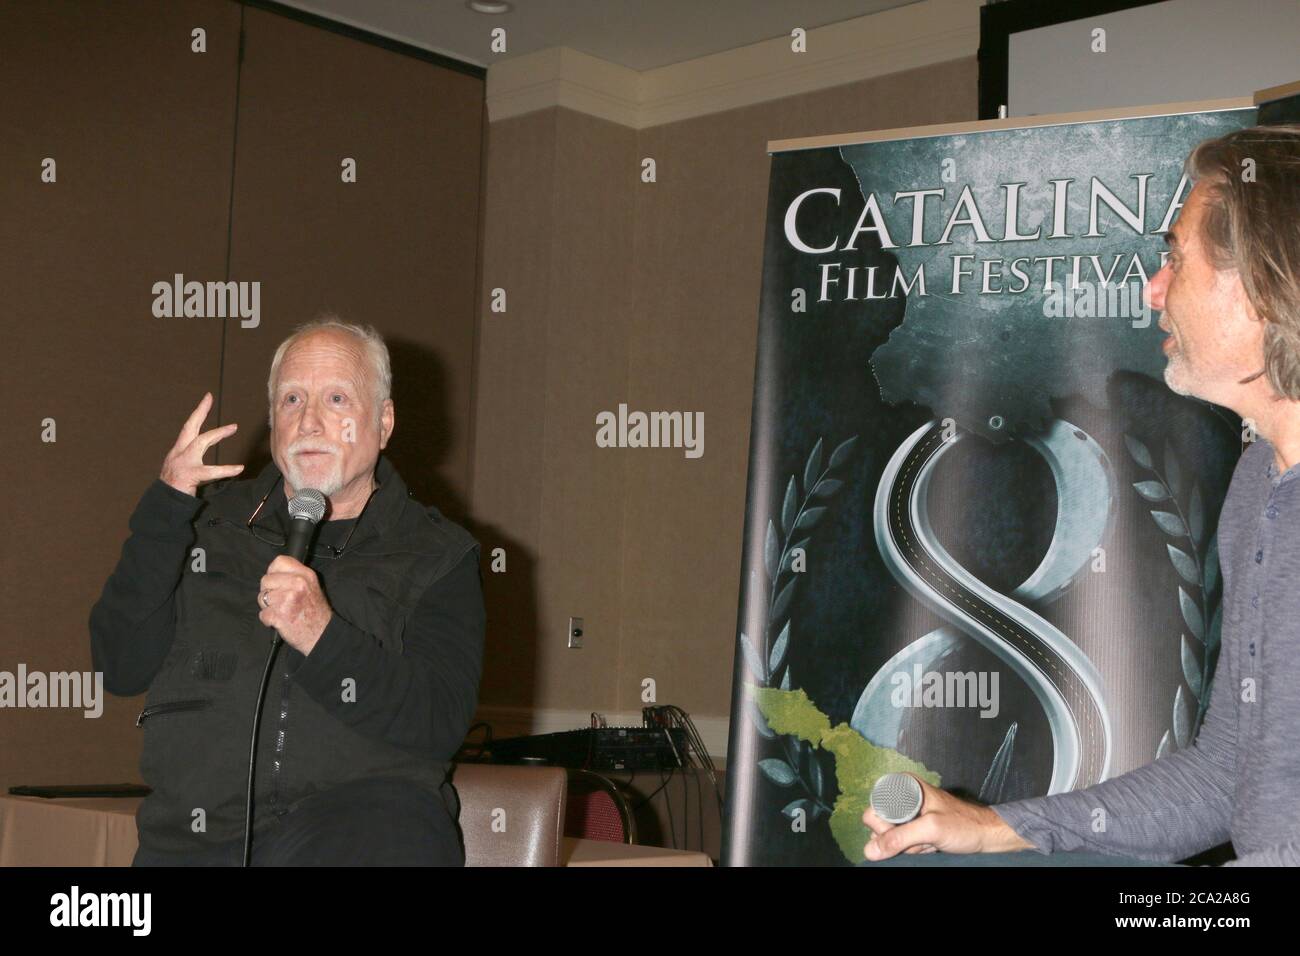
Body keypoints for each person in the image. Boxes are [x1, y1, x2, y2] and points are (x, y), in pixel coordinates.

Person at [862, 124, 1300, 867]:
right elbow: (1228, 776)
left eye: (1175, 258)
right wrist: (992, 826)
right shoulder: (1260, 480)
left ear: (1262, 286)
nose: (1152, 289)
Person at [89, 317, 485, 865]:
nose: (310, 422)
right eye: (292, 399)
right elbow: (120, 664)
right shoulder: (206, 524)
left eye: (337, 398)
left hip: (362, 831)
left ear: (384, 422)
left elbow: (437, 721)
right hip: (195, 840)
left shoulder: (436, 553)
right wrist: (165, 512)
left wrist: (322, 636)